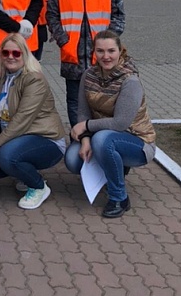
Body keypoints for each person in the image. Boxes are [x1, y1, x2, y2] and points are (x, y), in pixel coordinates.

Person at [65, 30, 156, 218]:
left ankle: (119, 198)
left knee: (103, 140)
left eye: (111, 51)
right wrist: (84, 140)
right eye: (100, 51)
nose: (105, 56)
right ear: (94, 52)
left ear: (120, 51)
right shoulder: (88, 75)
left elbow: (120, 123)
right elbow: (82, 111)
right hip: (101, 135)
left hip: (136, 140)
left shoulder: (130, 81)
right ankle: (115, 166)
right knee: (73, 160)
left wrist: (87, 127)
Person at [0, 33, 66, 210]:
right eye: (5, 53)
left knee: (6, 155)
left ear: (24, 54)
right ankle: (24, 174)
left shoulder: (34, 79)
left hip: (46, 139)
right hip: (16, 138)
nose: (10, 57)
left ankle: (39, 186)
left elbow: (22, 121)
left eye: (16, 53)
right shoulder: (2, 76)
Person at [47, 0, 125, 127]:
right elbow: (51, 15)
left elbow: (119, 14)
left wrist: (109, 42)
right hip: (72, 56)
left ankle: (100, 137)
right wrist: (62, 39)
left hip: (101, 58)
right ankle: (78, 137)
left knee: (103, 102)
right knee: (74, 102)